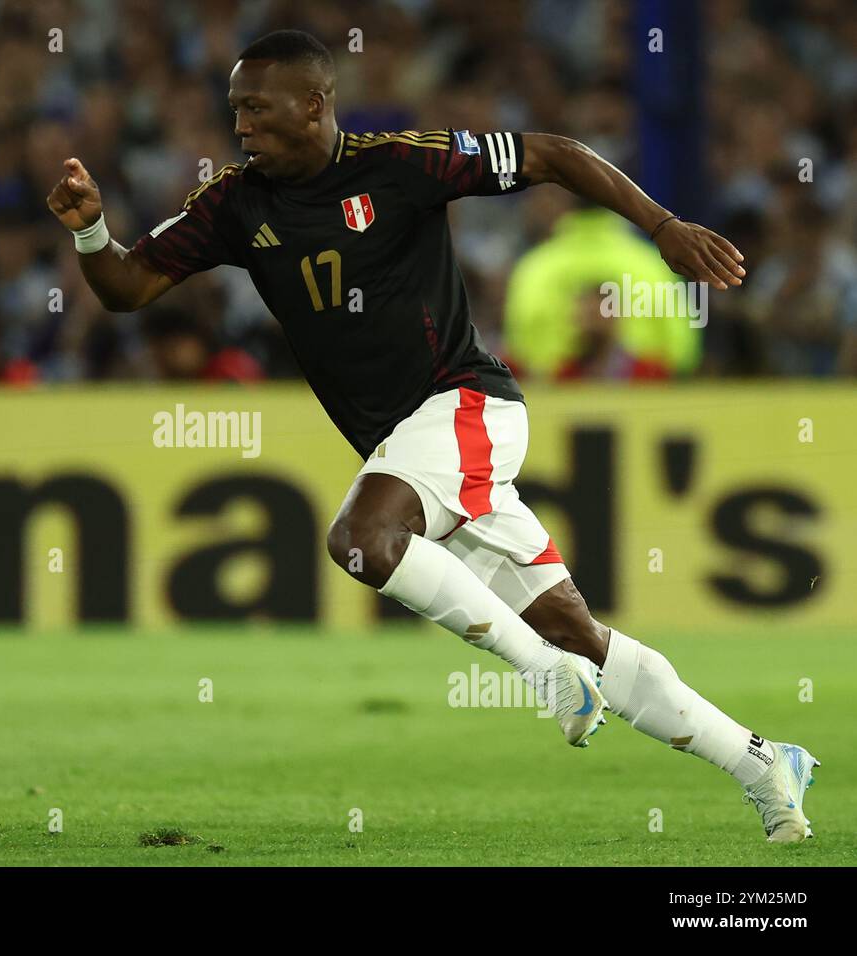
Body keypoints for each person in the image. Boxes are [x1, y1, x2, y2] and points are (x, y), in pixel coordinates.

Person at [46, 30, 817, 843]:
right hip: (417, 446)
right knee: (578, 634)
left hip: (468, 406)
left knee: (361, 539)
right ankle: (763, 762)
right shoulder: (238, 204)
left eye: (255, 107)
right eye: (234, 108)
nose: (239, 125)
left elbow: (552, 153)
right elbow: (129, 287)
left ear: (313, 104)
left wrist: (660, 226)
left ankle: (542, 674)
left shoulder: (402, 164)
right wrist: (91, 230)